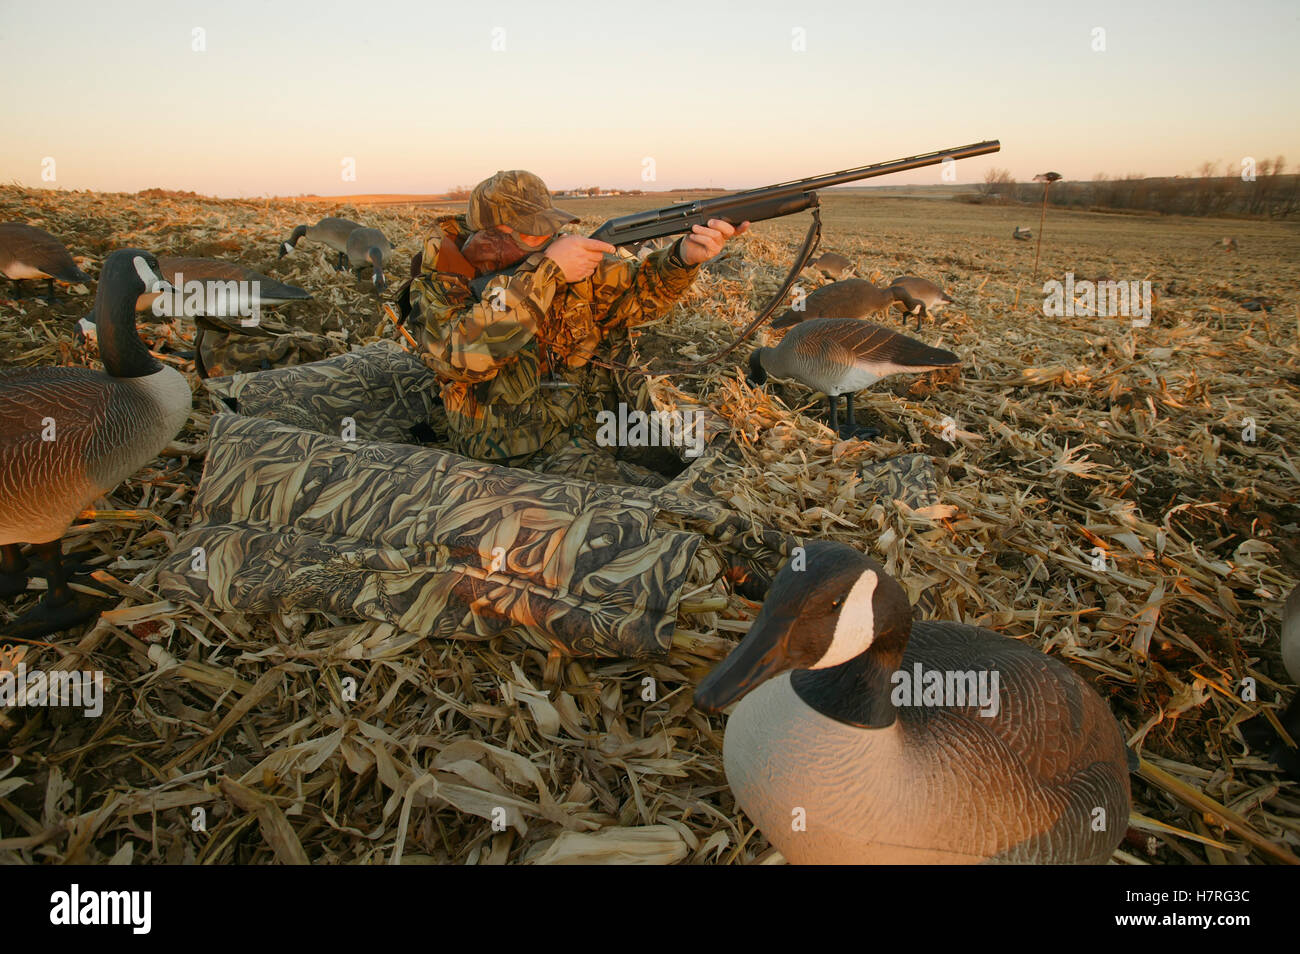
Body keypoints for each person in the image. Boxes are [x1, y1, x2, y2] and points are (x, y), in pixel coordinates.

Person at [403, 170, 745, 485]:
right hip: (519, 449)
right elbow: (462, 357)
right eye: (530, 234)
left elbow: (639, 298)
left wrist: (682, 258)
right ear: (487, 238)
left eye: (548, 229)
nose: (547, 240)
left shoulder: (559, 259)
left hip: (603, 425)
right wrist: (545, 274)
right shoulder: (439, 284)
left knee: (707, 470)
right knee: (660, 500)